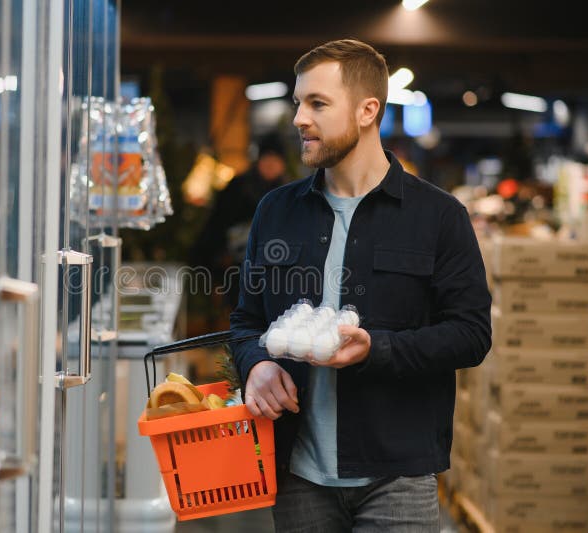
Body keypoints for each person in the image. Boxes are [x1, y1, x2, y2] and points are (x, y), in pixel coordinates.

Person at [230, 39, 491, 532]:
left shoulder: (438, 217)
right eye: (298, 103)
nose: (299, 119)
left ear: (368, 110)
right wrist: (257, 364)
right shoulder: (276, 212)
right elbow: (247, 321)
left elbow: (472, 334)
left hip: (399, 477)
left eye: (318, 104)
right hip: (298, 476)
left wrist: (379, 349)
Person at [191, 133, 288, 310]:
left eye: (276, 160)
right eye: (267, 159)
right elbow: (217, 224)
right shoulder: (238, 187)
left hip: (277, 271)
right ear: (258, 161)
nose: (271, 165)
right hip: (238, 267)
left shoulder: (288, 192)